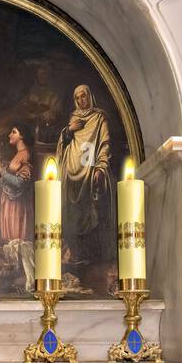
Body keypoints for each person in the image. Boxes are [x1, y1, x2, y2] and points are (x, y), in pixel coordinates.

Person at [56, 84, 113, 271]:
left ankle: (89, 259)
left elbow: (104, 144)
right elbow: (64, 144)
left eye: (84, 96)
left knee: (88, 213)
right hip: (70, 171)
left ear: (90, 96)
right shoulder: (74, 118)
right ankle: (72, 254)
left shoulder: (99, 118)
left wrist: (101, 166)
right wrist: (68, 130)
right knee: (70, 214)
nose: (81, 100)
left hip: (89, 171)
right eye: (78, 97)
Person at [0, 122, 35, 290]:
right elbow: (7, 179)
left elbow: (20, 183)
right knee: (9, 240)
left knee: (18, 240)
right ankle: (16, 274)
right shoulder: (17, 155)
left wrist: (1, 172)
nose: (10, 135)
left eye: (13, 132)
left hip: (18, 205)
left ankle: (22, 275)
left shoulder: (25, 155)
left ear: (21, 136)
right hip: (9, 201)